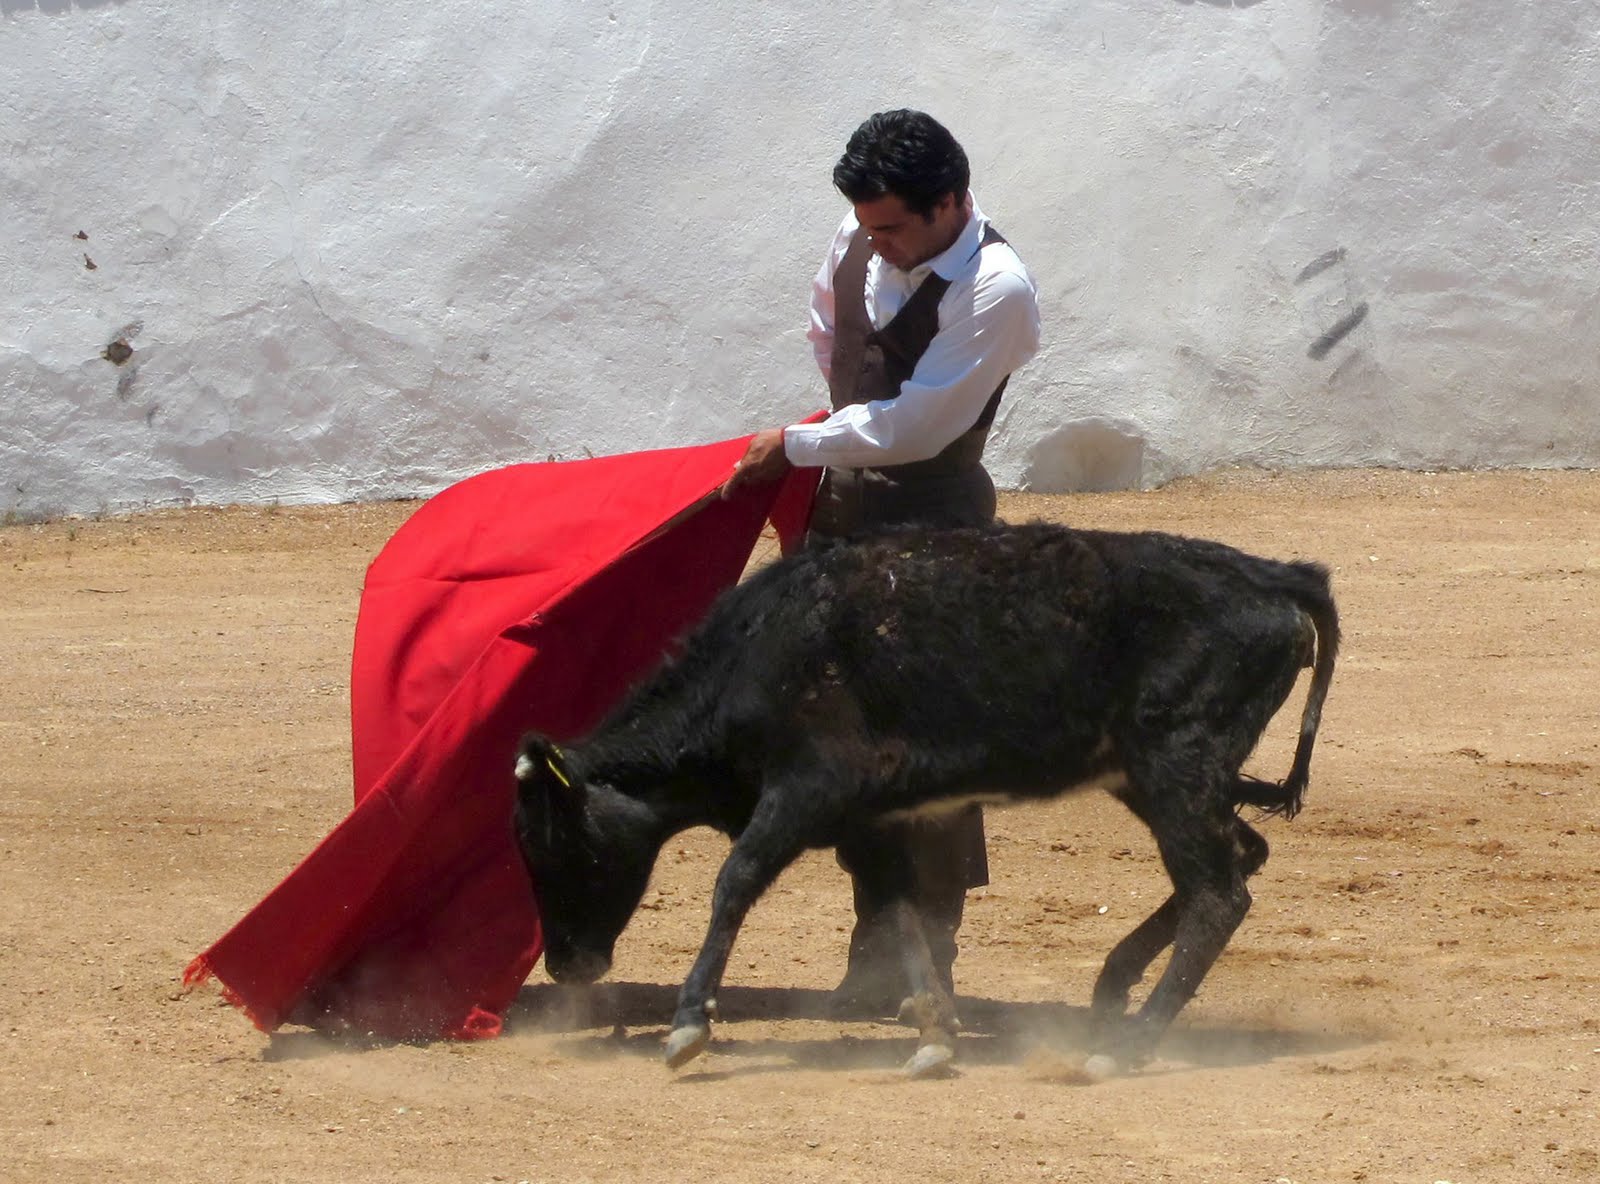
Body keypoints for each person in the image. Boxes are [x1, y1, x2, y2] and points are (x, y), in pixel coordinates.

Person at [721, 108, 1041, 1011]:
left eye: (896, 226)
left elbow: (919, 425)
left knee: (929, 747)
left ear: (952, 202)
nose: (880, 242)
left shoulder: (996, 288)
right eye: (870, 226)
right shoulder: (863, 238)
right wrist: (826, 437)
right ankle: (879, 944)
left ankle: (924, 955)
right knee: (844, 736)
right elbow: (832, 336)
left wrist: (801, 444)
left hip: (937, 530)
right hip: (843, 520)